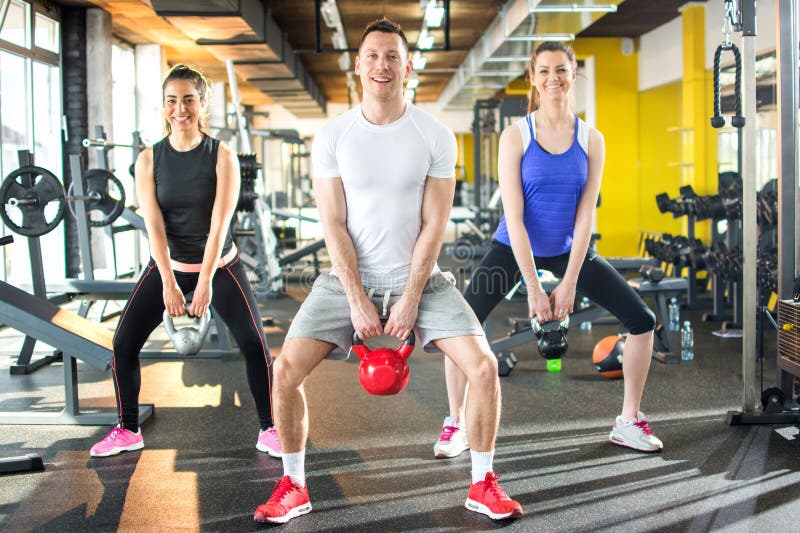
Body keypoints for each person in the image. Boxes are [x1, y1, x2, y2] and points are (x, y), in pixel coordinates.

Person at [253, 18, 522, 524]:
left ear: (407, 66)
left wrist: (412, 296)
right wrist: (355, 297)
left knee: (484, 368)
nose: (382, 65)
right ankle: (294, 485)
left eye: (392, 56)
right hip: (344, 277)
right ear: (358, 65)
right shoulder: (333, 136)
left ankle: (483, 483)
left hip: (418, 275)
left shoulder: (435, 135)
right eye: (373, 55)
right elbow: (332, 223)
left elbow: (434, 224)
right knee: (285, 371)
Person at [434, 41, 663, 459]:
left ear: (573, 73)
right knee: (458, 325)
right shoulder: (515, 135)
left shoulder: (592, 139)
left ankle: (629, 420)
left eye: (561, 69)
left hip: (567, 249)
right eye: (544, 70)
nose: (552, 78)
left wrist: (571, 280)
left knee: (642, 320)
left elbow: (585, 216)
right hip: (512, 246)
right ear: (533, 77)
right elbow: (515, 216)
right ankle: (456, 423)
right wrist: (534, 288)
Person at [89, 64, 280, 459]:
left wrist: (206, 280)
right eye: (172, 101)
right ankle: (127, 429)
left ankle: (270, 428)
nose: (180, 109)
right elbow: (154, 225)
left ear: (201, 103)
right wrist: (167, 281)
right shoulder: (148, 160)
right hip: (169, 267)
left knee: (255, 345)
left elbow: (220, 221)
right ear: (163, 106)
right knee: (123, 343)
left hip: (221, 265)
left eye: (189, 100)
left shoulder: (221, 155)